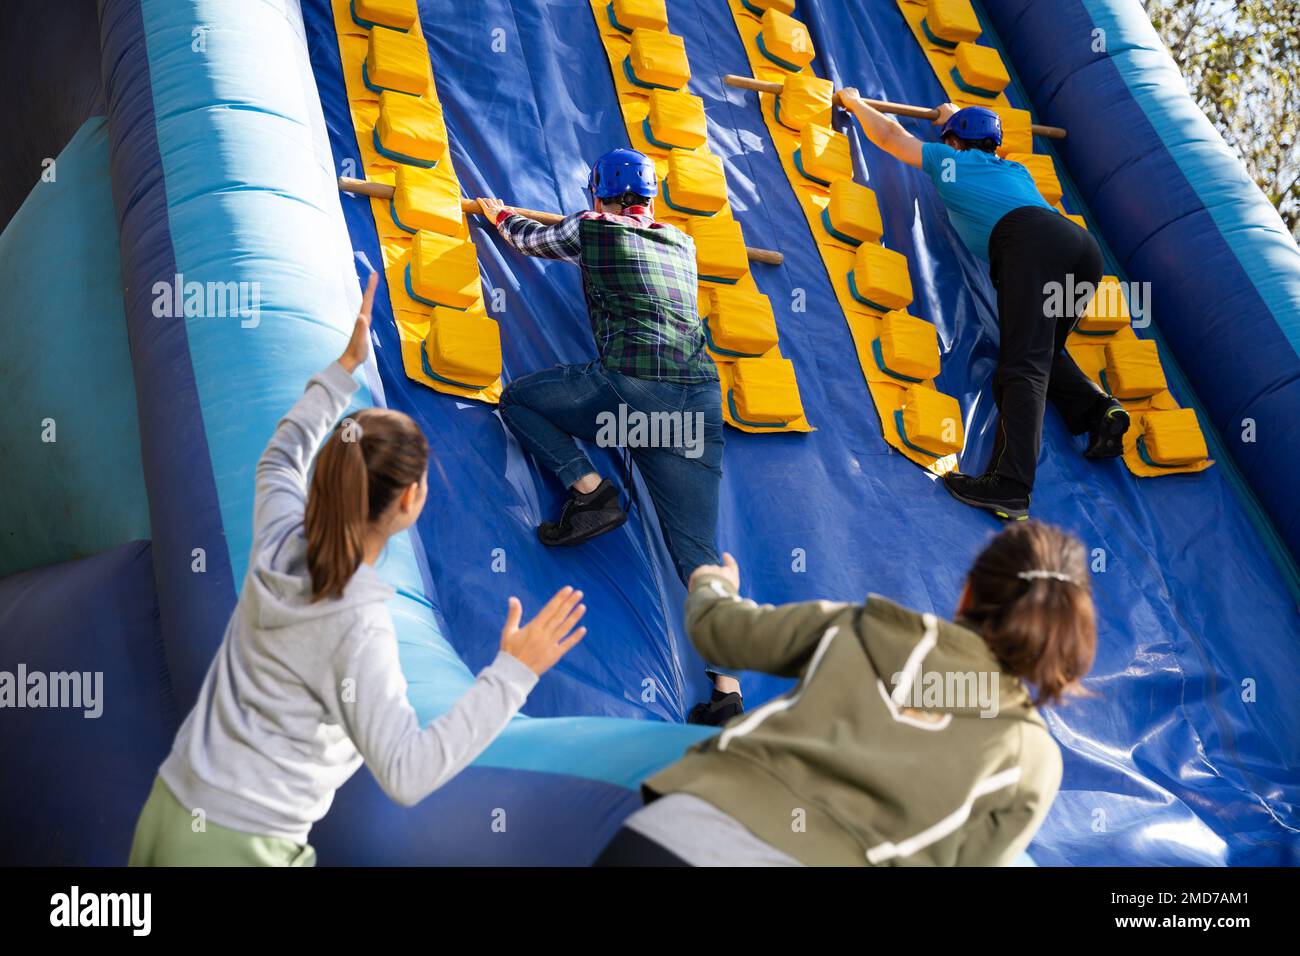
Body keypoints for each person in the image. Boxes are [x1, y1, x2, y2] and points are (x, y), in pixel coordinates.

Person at [129, 272, 587, 866]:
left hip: (171, 806)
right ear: (409, 502)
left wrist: (345, 367)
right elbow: (406, 771)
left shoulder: (280, 533)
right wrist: (512, 674)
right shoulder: (357, 622)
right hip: (239, 846)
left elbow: (282, 450)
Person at [596, 520, 1096, 867]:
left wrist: (710, 584)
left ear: (966, 592)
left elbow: (721, 632)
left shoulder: (860, 627)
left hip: (670, 835)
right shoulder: (1032, 758)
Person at [476, 147, 741, 726]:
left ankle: (591, 490)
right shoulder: (683, 242)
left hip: (632, 394)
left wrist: (498, 215)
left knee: (520, 399)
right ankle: (727, 691)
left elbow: (529, 240)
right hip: (693, 407)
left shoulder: (592, 228)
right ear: (650, 197)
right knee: (696, 554)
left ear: (597, 192)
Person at [838, 92, 1131, 520]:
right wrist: (955, 118)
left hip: (1028, 243)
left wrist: (855, 102)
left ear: (952, 142)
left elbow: (888, 134)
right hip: (1079, 250)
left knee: (1022, 367)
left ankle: (1010, 487)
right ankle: (1100, 412)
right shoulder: (1012, 168)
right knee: (1044, 351)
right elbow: (971, 132)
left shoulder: (945, 159)